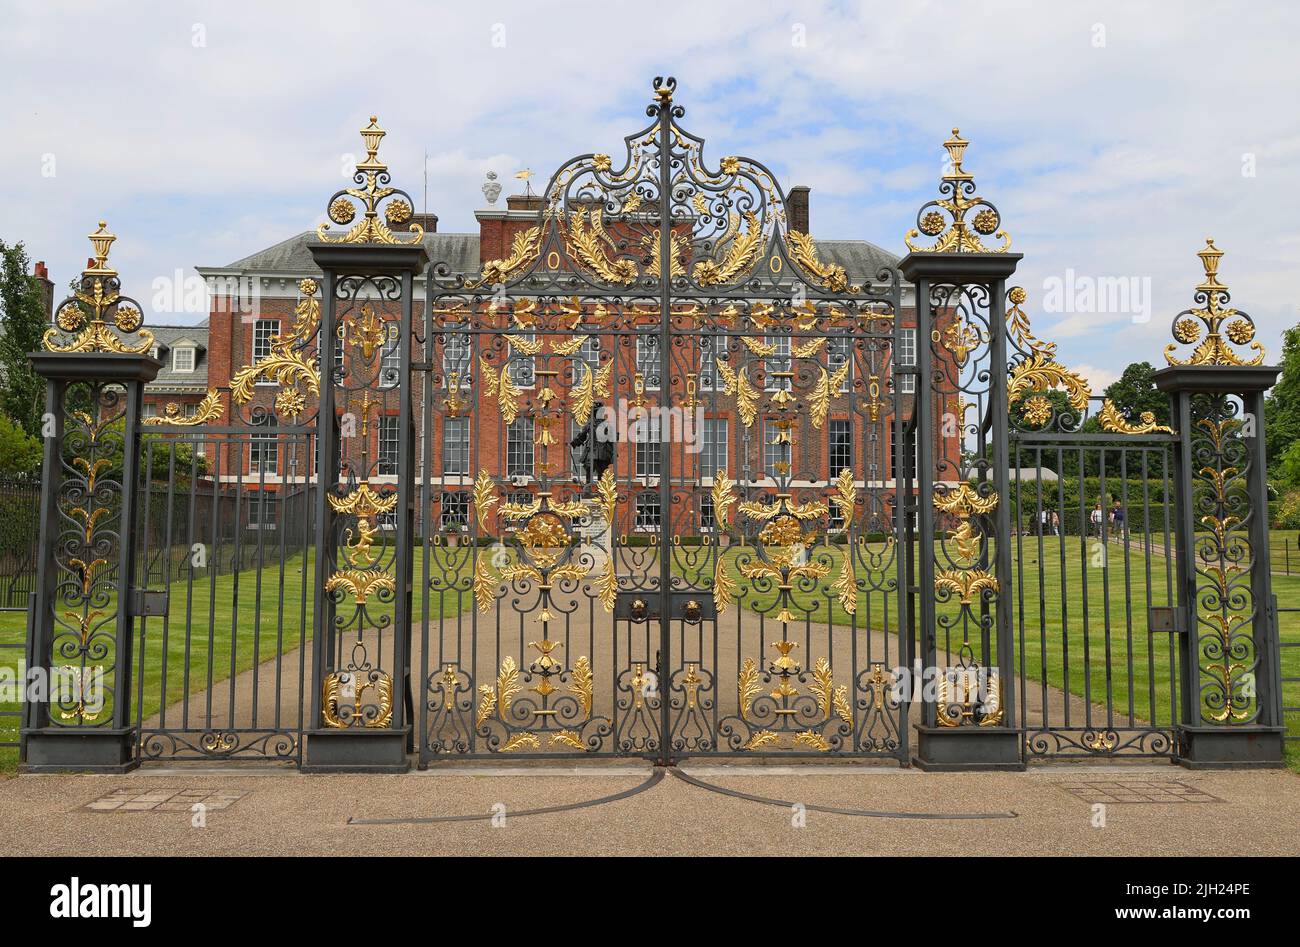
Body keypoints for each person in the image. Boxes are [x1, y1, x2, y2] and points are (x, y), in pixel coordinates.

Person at [569, 401, 615, 487]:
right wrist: (573, 443)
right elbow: (582, 435)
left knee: (601, 471)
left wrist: (613, 451)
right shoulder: (590, 424)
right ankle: (588, 488)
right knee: (589, 468)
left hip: (602, 451)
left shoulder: (607, 425)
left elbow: (611, 439)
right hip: (591, 450)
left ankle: (602, 490)